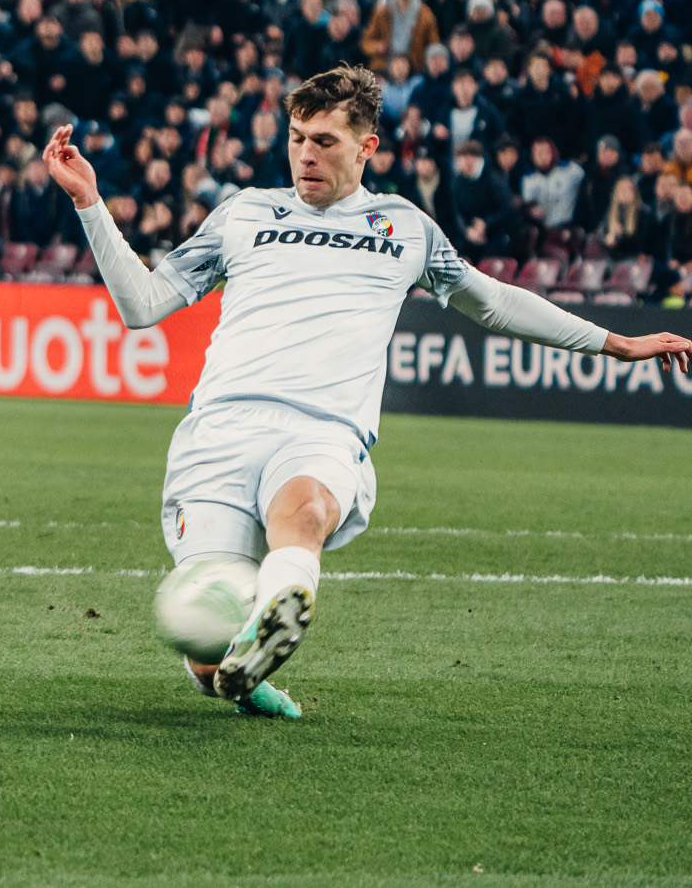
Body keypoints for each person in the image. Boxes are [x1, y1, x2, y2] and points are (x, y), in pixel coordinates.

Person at [42, 64, 692, 717]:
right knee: (204, 642)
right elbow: (142, 304)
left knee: (305, 510)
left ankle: (280, 607)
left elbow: (493, 303)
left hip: (321, 430)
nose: (305, 153)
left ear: (367, 146)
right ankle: (249, 668)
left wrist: (619, 342)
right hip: (219, 428)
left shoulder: (403, 227)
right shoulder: (244, 214)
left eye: (324, 140)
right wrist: (89, 203)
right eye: (297, 137)